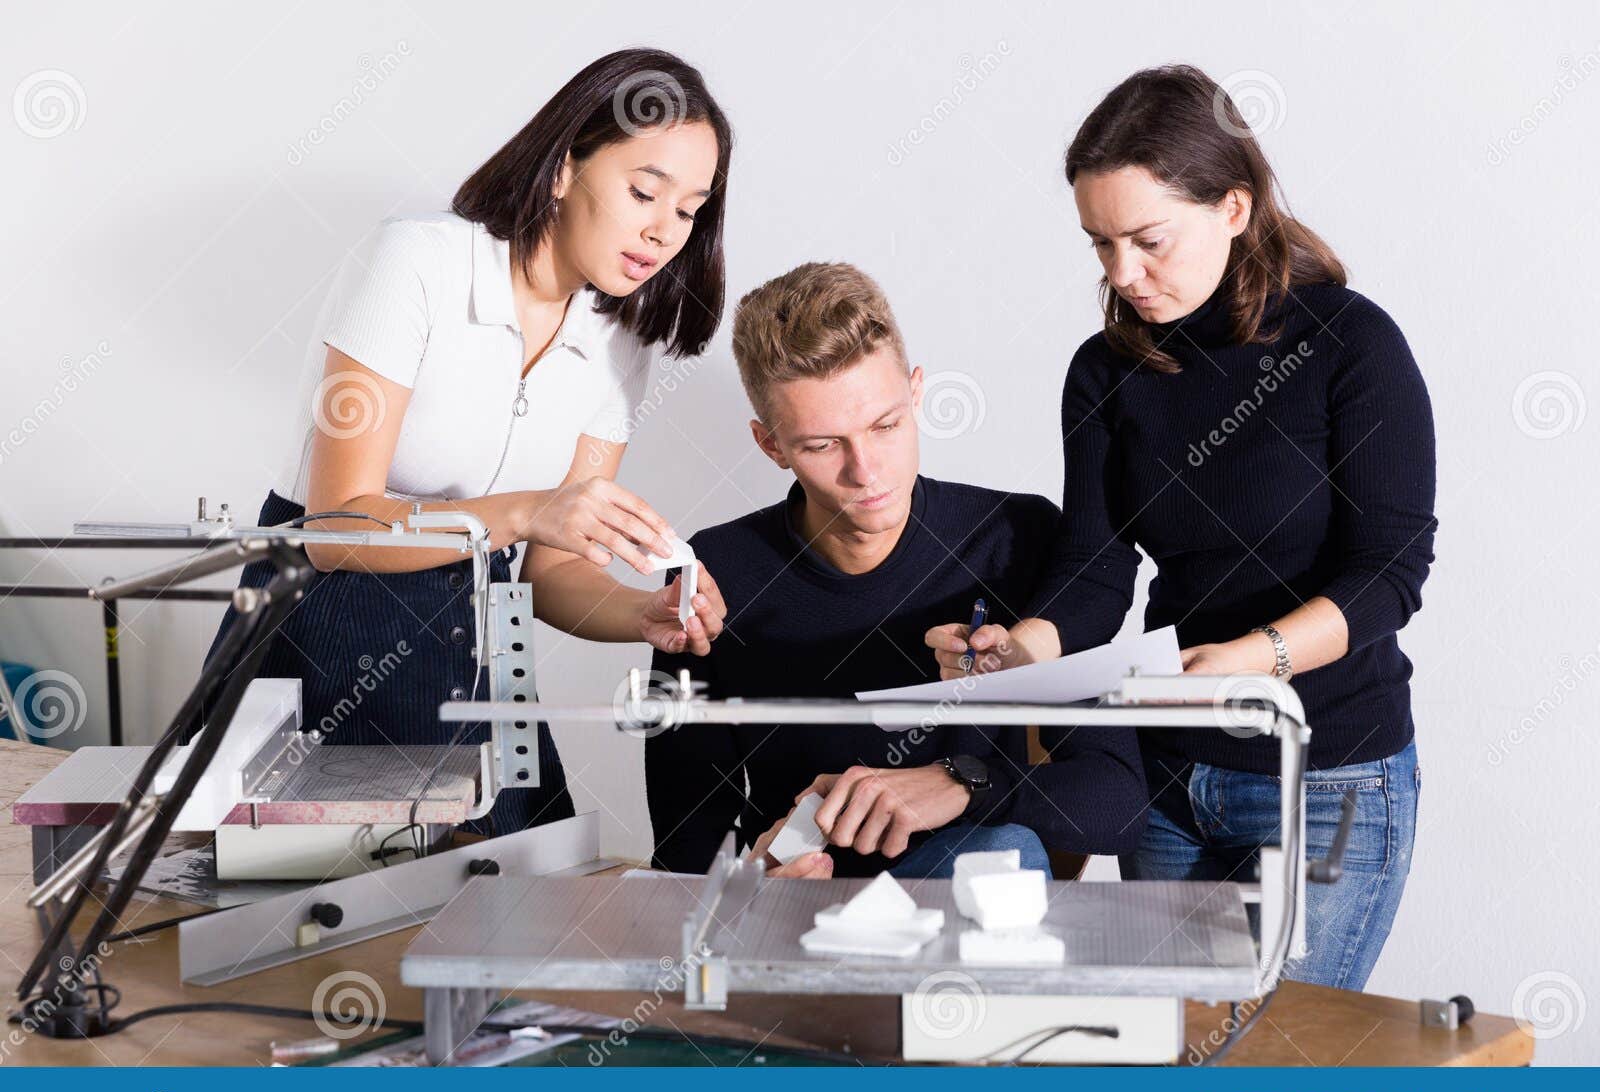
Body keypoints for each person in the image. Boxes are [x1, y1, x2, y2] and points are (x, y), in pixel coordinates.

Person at [928, 66, 1435, 989]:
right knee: (1169, 1046)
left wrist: (1254, 656)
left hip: (1327, 778)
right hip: (1168, 774)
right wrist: (1021, 645)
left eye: (1149, 240)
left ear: (1234, 206)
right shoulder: (1106, 371)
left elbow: (1390, 572)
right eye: (1100, 244)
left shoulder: (1352, 346)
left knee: (1278, 1062)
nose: (1123, 274)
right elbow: (1093, 563)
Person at [198, 49, 733, 836]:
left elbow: (550, 569)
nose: (663, 231)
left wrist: (641, 611)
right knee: (312, 921)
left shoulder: (621, 342)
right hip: (326, 632)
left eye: (689, 210)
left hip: (481, 654)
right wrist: (526, 514)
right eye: (644, 191)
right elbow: (336, 525)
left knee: (508, 909)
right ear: (562, 169)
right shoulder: (420, 261)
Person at [646, 262, 1146, 879]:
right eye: (822, 445)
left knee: (999, 853)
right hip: (794, 920)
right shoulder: (717, 573)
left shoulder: (1018, 539)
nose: (866, 471)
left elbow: (1120, 801)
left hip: (966, 901)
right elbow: (683, 838)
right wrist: (751, 880)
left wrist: (961, 784)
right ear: (770, 444)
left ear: (916, 393)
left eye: (885, 426)